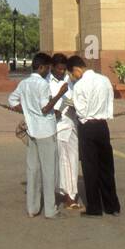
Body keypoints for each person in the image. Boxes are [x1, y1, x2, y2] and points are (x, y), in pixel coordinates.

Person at [8, 52, 68, 219]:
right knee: (49, 171)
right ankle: (50, 209)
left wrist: (27, 111)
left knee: (32, 169)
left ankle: (32, 208)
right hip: (46, 131)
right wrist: (60, 94)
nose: (49, 71)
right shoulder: (42, 84)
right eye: (47, 68)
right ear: (41, 67)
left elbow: (12, 101)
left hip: (32, 131)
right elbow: (44, 109)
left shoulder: (24, 83)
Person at [68, 55, 121, 217]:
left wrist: (75, 107)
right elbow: (110, 101)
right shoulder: (104, 80)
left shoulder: (80, 85)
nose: (73, 77)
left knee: (90, 168)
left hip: (87, 126)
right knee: (106, 167)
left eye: (72, 74)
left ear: (76, 70)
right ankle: (112, 206)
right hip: (103, 125)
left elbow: (82, 111)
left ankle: (95, 207)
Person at [48, 53, 81, 210]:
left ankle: (70, 192)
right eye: (59, 69)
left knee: (73, 160)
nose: (61, 72)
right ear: (52, 67)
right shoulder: (47, 82)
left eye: (63, 69)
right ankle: (69, 196)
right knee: (63, 162)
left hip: (72, 123)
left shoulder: (70, 80)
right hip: (58, 126)